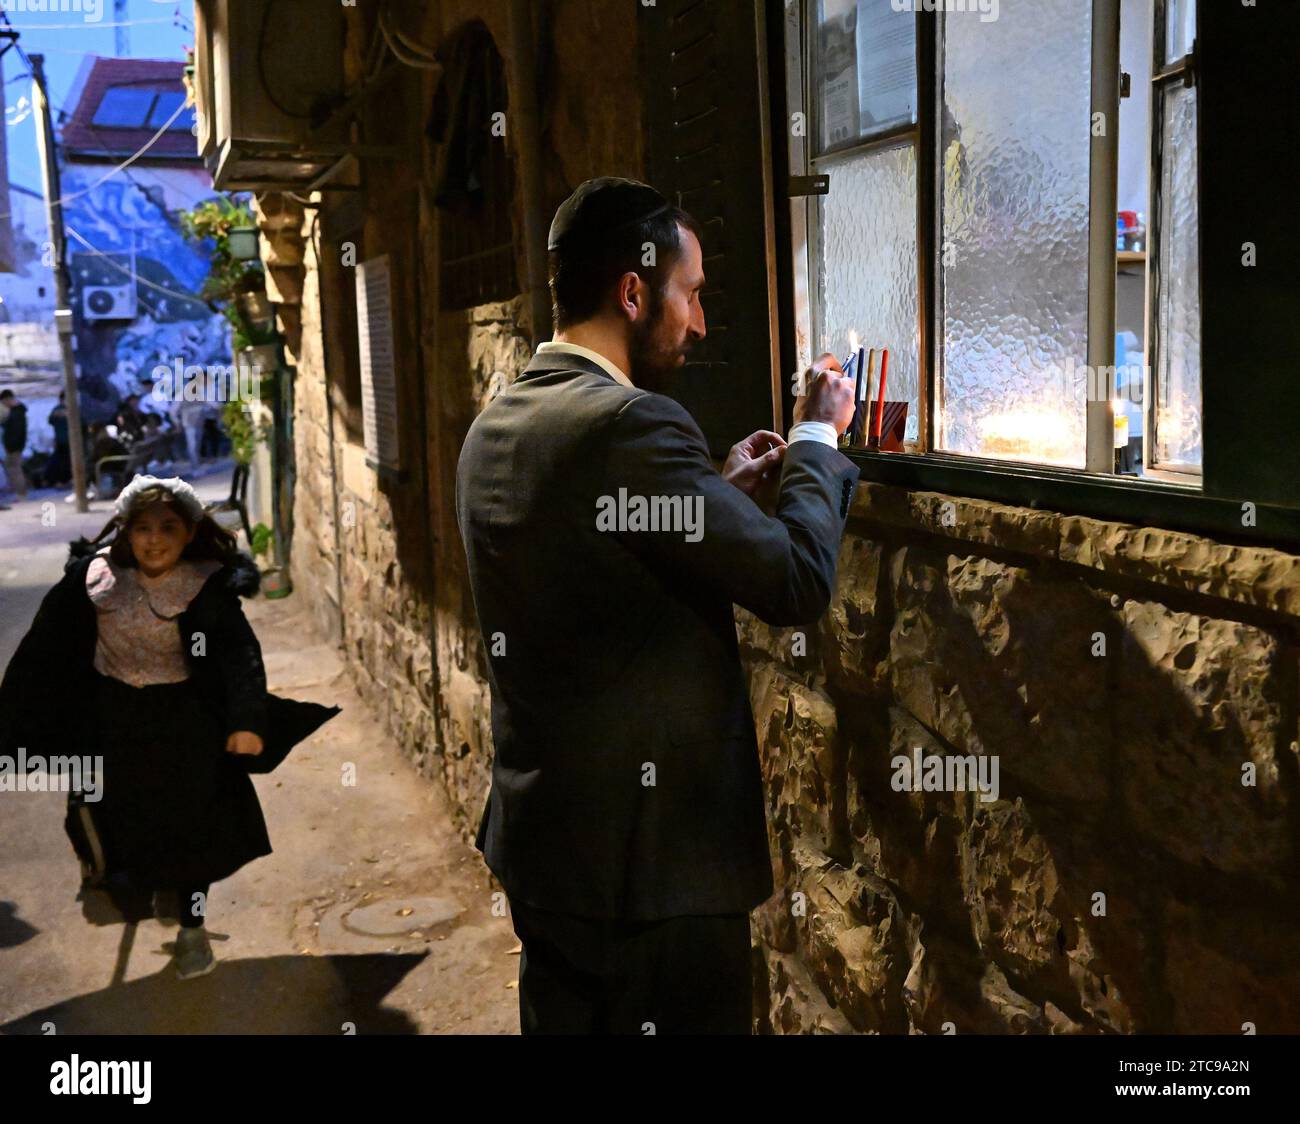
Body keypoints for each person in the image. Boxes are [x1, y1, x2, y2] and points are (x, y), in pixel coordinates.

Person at [455, 177, 860, 1034]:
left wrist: (708, 496)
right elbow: (795, 580)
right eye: (692, 293)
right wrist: (819, 434)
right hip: (653, 875)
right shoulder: (633, 425)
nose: (701, 321)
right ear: (634, 291)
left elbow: (590, 565)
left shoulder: (496, 426)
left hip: (549, 854)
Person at [0, 475, 339, 979]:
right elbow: (45, 649)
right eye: (142, 528)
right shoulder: (93, 579)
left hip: (187, 726)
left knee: (194, 829)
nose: (153, 539)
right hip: (117, 727)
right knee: (133, 822)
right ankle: (162, 885)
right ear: (125, 531)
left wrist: (247, 721)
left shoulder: (204, 585)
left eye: (167, 527)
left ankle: (192, 930)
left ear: (187, 534)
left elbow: (238, 656)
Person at [1, 388, 28, 499]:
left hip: (14, 446)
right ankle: (20, 493)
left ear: (8, 399)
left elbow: (16, 432)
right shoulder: (17, 412)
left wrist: (11, 446)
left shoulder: (16, 413)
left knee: (15, 470)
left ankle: (21, 494)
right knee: (14, 469)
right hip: (14, 446)